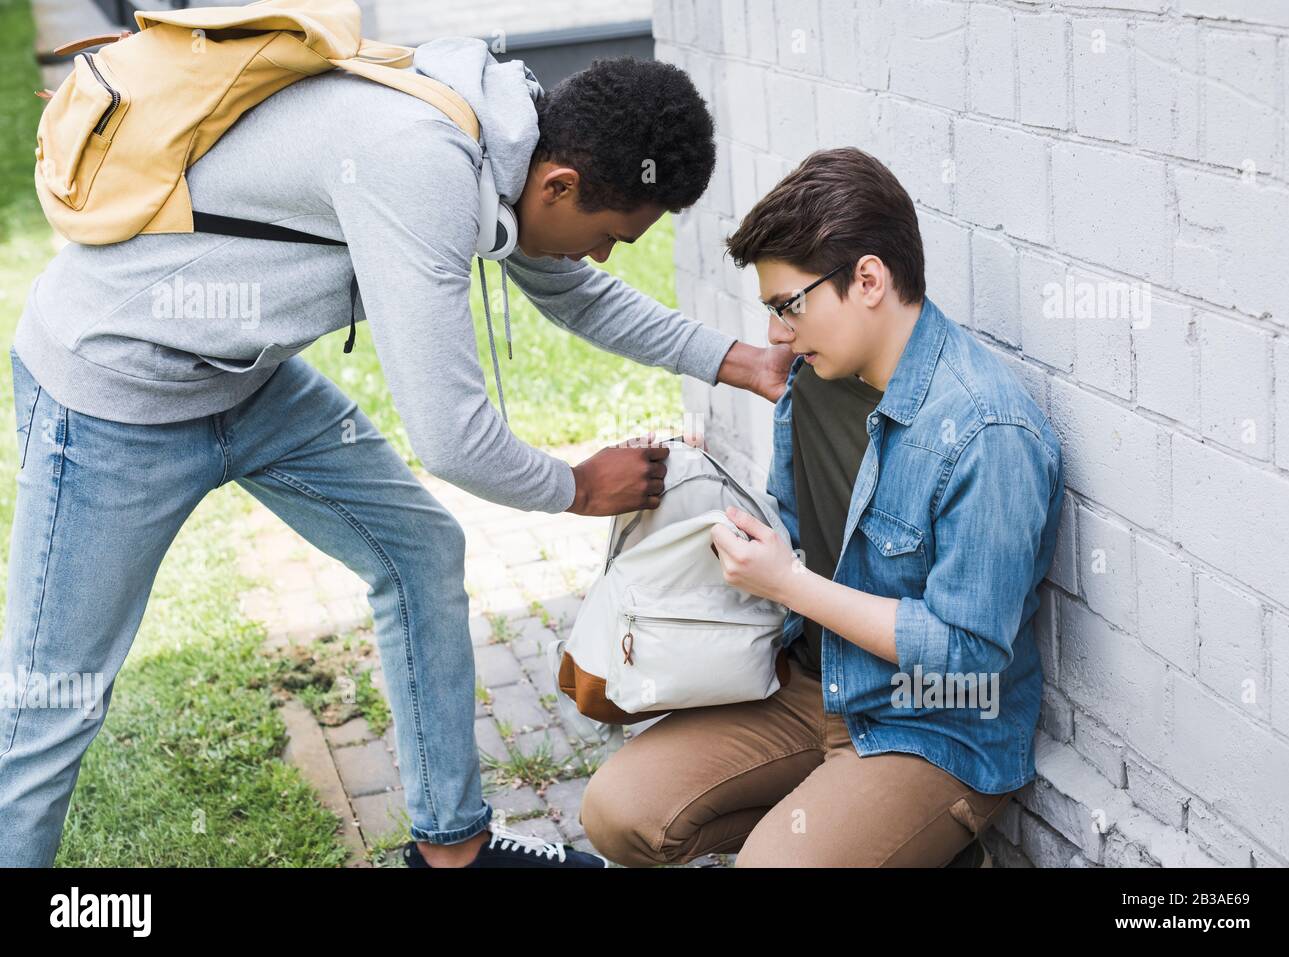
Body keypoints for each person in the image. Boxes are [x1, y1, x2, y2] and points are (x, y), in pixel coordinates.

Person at [0, 42, 792, 868]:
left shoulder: (508, 141)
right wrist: (575, 488)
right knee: (54, 697)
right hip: (112, 392)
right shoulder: (425, 164)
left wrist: (744, 362)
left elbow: (571, 293)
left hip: (244, 382)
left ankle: (453, 850)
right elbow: (450, 435)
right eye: (608, 236)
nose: (599, 255)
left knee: (418, 550)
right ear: (560, 187)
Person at [579, 147, 1065, 868]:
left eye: (788, 306)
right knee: (617, 812)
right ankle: (839, 825)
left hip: (932, 725)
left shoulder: (986, 432)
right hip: (813, 684)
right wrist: (691, 489)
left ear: (868, 279)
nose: (775, 333)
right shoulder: (810, 384)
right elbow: (794, 535)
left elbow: (970, 653)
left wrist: (788, 582)